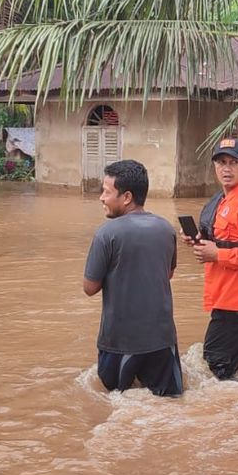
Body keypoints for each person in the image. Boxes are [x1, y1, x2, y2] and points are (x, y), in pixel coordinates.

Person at [83, 159, 183, 397]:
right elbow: (168, 274)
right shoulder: (166, 229)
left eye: (107, 192)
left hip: (120, 342)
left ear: (126, 197)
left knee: (114, 401)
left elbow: (89, 287)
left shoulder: (106, 234)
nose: (102, 198)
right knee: (168, 402)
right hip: (162, 340)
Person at [184, 138, 238, 380]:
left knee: (215, 369)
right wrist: (199, 240)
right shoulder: (226, 199)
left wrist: (217, 254)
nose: (226, 168)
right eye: (221, 162)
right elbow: (226, 238)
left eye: (234, 162)